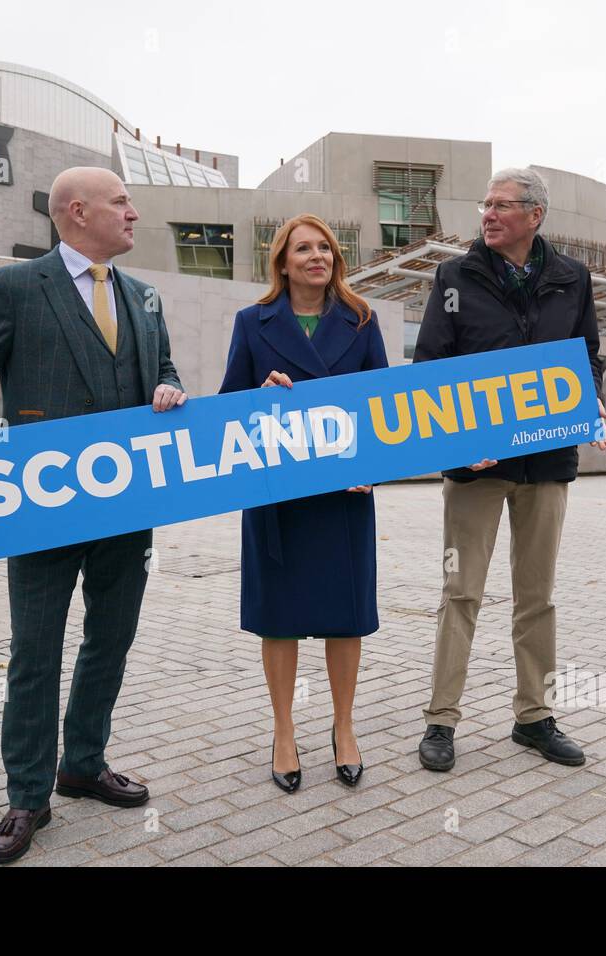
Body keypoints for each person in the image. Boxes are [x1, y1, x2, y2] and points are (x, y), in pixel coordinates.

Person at [0, 167, 187, 864]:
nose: (134, 212)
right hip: (41, 503)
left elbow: (166, 370)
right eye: (122, 202)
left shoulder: (144, 295)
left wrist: (168, 387)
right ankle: (28, 796)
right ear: (77, 211)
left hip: (130, 505)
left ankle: (83, 763)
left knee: (111, 638)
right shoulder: (16, 287)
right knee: (34, 653)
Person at [413, 167, 606, 772]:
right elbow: (430, 367)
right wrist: (454, 444)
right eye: (485, 203)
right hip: (476, 466)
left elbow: (587, 356)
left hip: (547, 463)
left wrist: (591, 398)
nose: (488, 215)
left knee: (537, 597)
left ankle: (535, 718)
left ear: (535, 216)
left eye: (502, 206)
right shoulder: (454, 275)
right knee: (461, 592)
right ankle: (441, 721)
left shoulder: (572, 278)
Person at [218, 214, 388, 792]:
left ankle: (344, 728)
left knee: (346, 617)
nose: (316, 256)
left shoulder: (362, 321)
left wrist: (372, 470)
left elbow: (383, 410)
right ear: (283, 262)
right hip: (278, 498)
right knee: (281, 618)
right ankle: (284, 730)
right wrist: (259, 398)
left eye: (325, 248)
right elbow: (227, 408)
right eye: (303, 249)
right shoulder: (252, 322)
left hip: (343, 498)